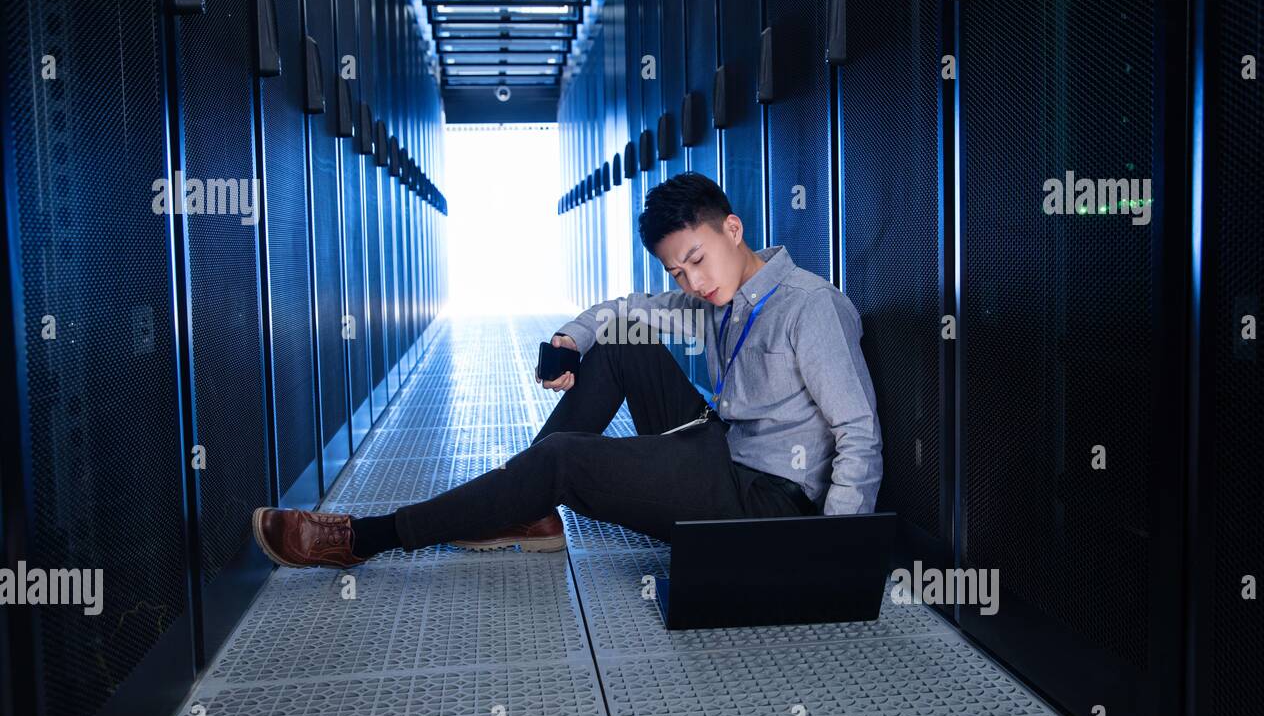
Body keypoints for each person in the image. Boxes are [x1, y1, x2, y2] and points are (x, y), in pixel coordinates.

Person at [251, 172, 883, 568]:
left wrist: (827, 558)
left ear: (733, 229)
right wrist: (566, 340)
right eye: (678, 272)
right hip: (722, 448)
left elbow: (859, 434)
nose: (693, 280)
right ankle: (523, 505)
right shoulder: (712, 301)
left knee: (562, 459)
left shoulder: (809, 308)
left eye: (697, 259)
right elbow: (622, 313)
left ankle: (367, 537)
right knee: (622, 344)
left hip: (766, 502)